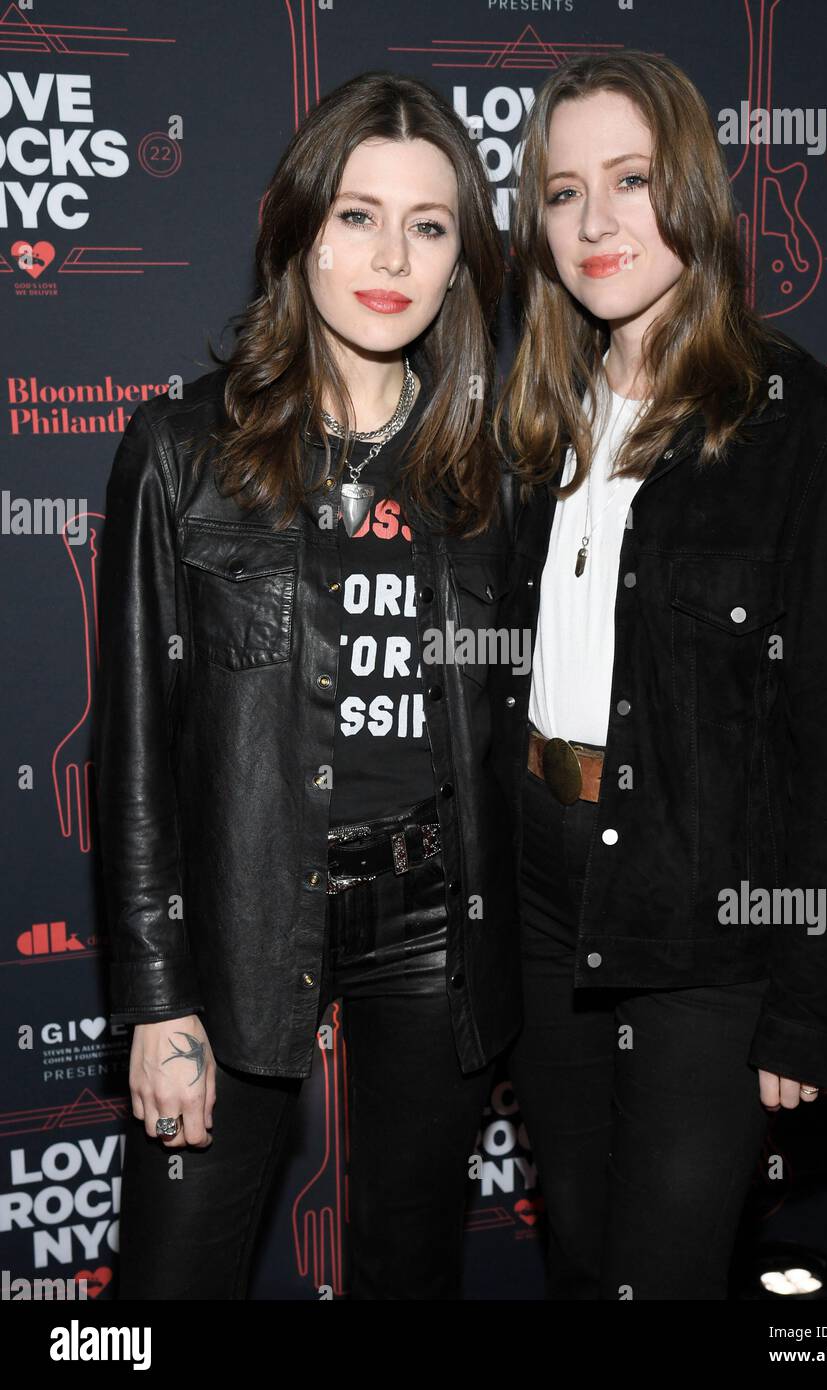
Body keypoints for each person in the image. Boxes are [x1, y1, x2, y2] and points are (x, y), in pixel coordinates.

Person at [92, 70, 520, 1300]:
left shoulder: (489, 471)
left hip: (438, 921)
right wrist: (158, 1000)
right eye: (357, 214)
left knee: (410, 1260)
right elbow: (134, 753)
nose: (393, 253)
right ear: (297, 231)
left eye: (429, 225)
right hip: (241, 912)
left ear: (459, 260)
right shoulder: (183, 451)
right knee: (172, 1281)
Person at [491, 51, 827, 1300]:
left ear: (700, 198)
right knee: (586, 1258)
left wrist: (813, 1012)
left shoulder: (805, 428)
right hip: (545, 902)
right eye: (564, 191)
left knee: (662, 1276)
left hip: (711, 931)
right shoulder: (529, 415)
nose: (596, 222)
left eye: (632, 180)